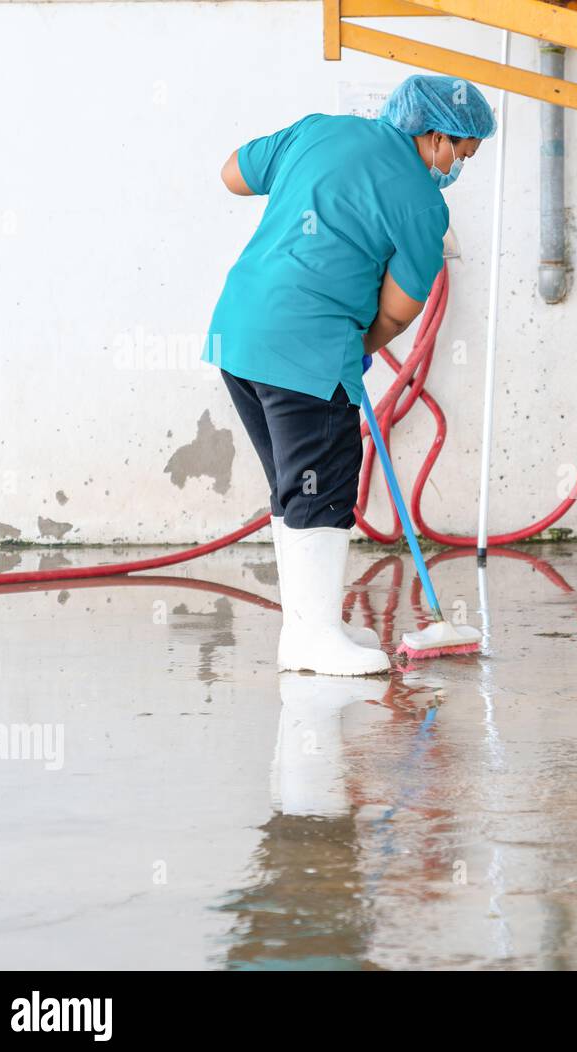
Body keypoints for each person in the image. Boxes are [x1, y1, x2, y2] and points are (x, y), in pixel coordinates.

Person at [203, 75, 496, 675]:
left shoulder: (317, 130)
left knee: (293, 488)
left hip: (238, 333)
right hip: (306, 350)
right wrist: (354, 346)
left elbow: (233, 172)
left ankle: (306, 630)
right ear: (436, 136)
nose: (457, 167)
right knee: (322, 490)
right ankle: (313, 642)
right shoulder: (421, 200)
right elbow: (399, 307)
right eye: (460, 154)